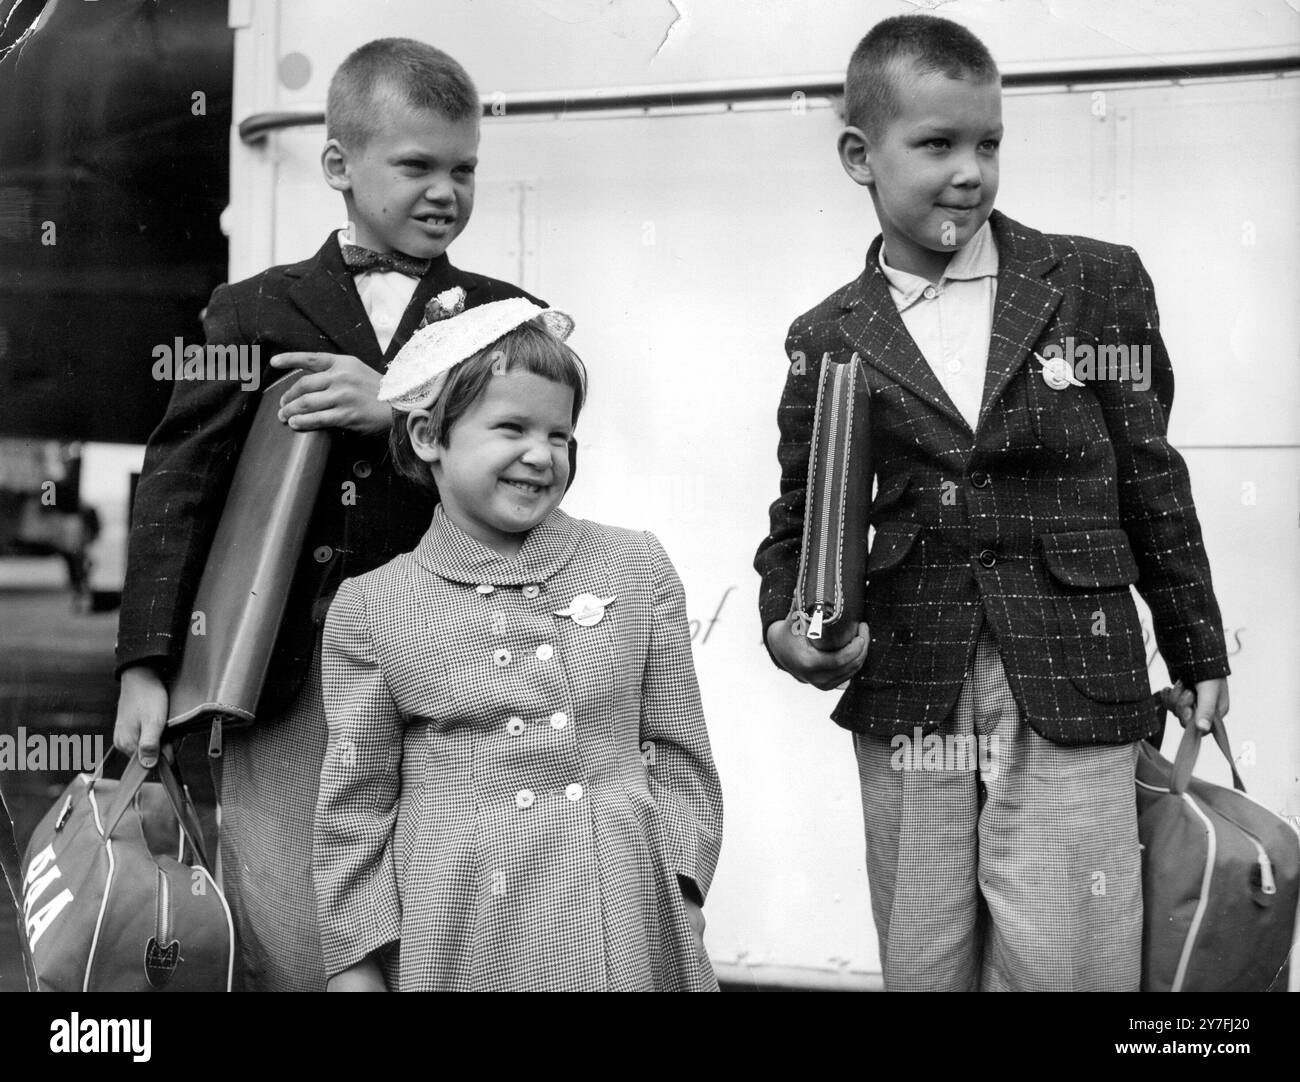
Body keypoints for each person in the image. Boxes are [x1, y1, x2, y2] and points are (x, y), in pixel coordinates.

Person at [753, 14, 1229, 992]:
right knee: (921, 958)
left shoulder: (1094, 281)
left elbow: (1150, 473)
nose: (969, 170)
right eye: (936, 144)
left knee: (1071, 956)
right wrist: (786, 629)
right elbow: (798, 521)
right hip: (907, 679)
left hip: (1072, 669)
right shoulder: (826, 334)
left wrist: (1197, 648)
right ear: (859, 154)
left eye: (988, 142)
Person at [113, 38, 545, 991]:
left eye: (464, 168)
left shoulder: (508, 320)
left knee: (442, 889)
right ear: (341, 167)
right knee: (290, 904)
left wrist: (399, 405)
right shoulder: (250, 310)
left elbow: (531, 475)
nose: (446, 191)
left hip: (457, 660)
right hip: (286, 674)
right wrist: (147, 665)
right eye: (417, 165)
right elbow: (178, 487)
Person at [313, 300, 723, 991]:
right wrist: (355, 961)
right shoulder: (372, 606)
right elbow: (354, 805)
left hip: (622, 910)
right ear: (427, 436)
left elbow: (681, 753)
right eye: (511, 428)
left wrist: (679, 887)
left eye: (560, 435)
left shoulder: (635, 566)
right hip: (463, 922)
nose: (541, 455)